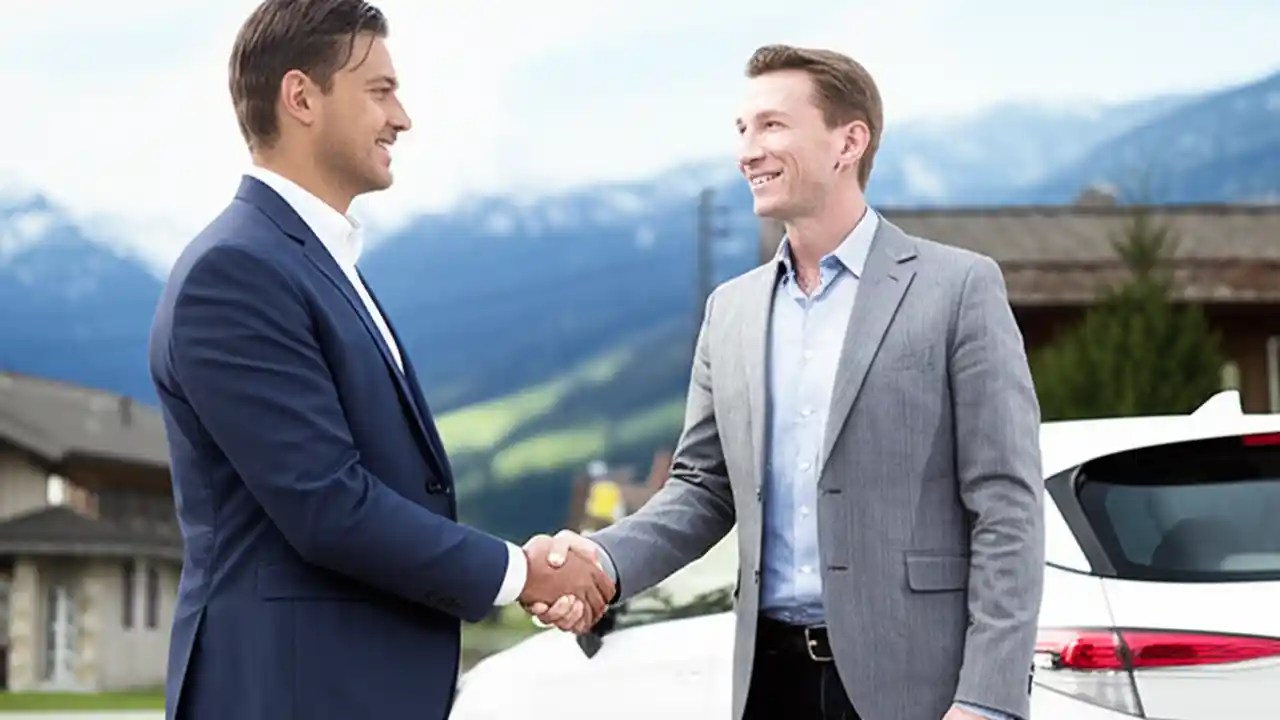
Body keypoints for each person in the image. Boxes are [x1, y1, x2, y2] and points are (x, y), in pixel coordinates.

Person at [527, 44, 1044, 720]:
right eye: (741, 130)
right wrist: (599, 559)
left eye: (771, 125)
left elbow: (1006, 504)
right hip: (768, 682)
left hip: (920, 688)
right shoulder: (731, 310)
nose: (748, 151)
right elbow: (704, 488)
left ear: (847, 142)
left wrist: (988, 698)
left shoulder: (958, 288)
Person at [147, 2, 611, 718]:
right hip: (286, 691)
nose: (403, 118)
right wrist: (521, 573)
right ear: (302, 97)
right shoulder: (236, 271)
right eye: (380, 90)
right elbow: (328, 506)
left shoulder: (312, 262)